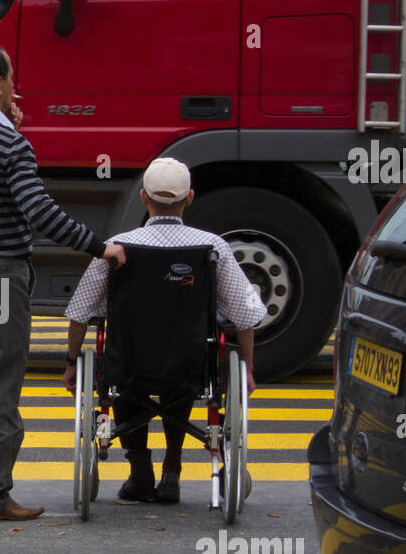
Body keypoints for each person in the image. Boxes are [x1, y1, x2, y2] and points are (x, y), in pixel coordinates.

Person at [0, 44, 126, 522]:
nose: (15, 84)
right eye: (11, 78)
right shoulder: (11, 143)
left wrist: (7, 125)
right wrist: (100, 247)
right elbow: (38, 211)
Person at [62, 158, 266, 503]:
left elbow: (80, 312)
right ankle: (172, 469)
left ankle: (140, 470)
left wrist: (71, 362)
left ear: (143, 198)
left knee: (125, 370)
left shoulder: (117, 246)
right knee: (184, 363)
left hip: (130, 361)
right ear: (189, 198)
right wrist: (246, 365)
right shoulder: (213, 248)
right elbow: (246, 314)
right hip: (188, 362)